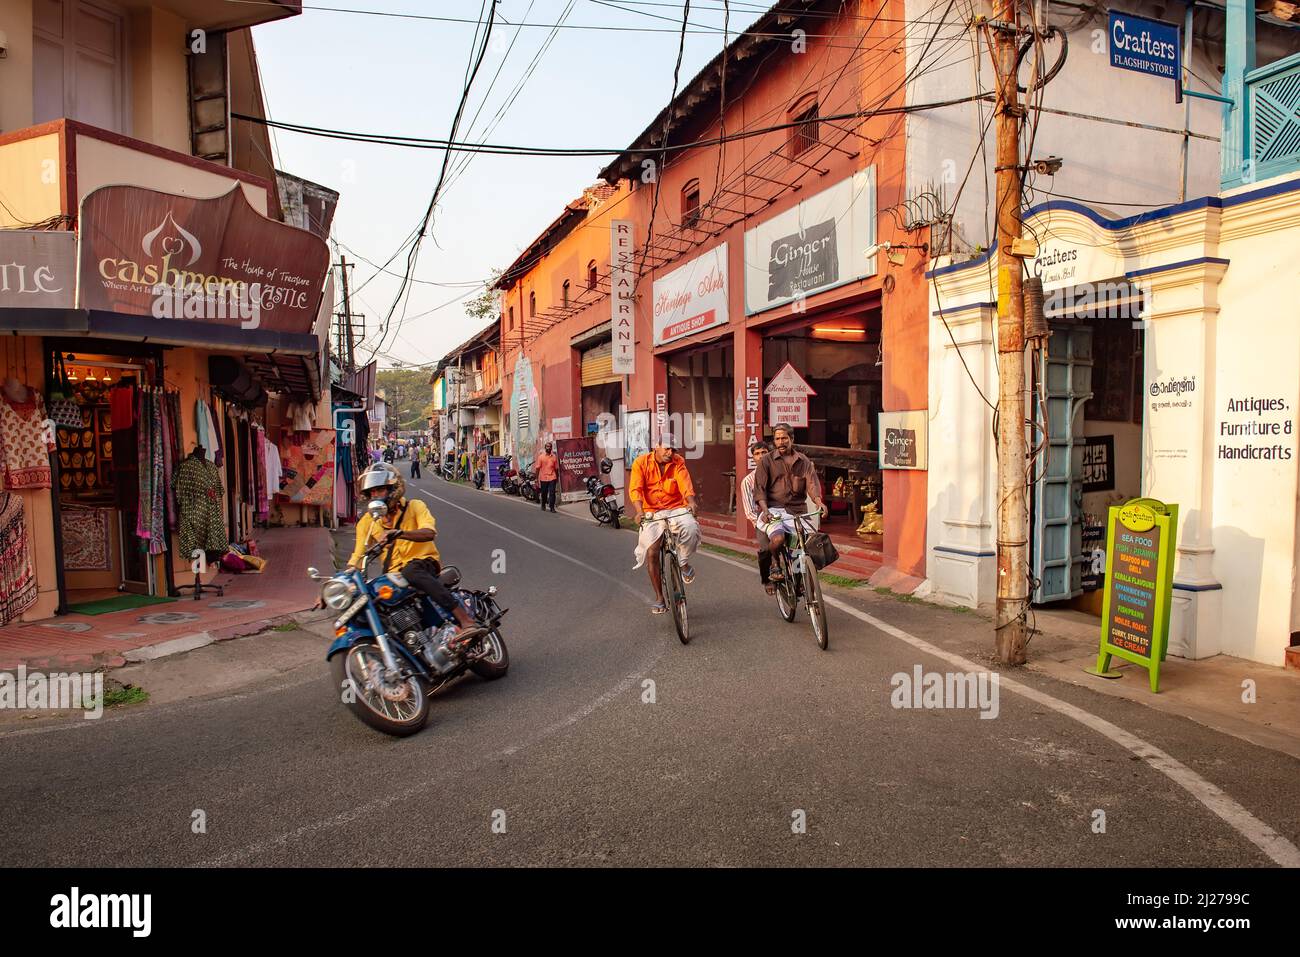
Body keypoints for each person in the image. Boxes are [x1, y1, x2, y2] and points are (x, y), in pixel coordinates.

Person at [349, 463, 483, 647]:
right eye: (371, 492)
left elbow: (429, 532)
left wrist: (399, 533)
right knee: (370, 600)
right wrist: (336, 586)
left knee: (411, 571)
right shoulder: (367, 522)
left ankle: (465, 619)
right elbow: (357, 557)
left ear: (393, 489)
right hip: (393, 575)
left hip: (423, 563)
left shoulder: (415, 506)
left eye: (379, 490)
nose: (375, 496)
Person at [628, 437, 700, 614]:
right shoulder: (641, 462)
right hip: (651, 510)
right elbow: (635, 489)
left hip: (676, 507)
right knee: (652, 551)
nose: (671, 453)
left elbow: (685, 484)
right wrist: (639, 511)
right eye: (667, 449)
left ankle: (683, 563)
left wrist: (691, 502)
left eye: (673, 450)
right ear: (656, 447)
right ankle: (660, 597)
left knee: (691, 528)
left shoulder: (678, 461)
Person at [752, 423, 826, 581]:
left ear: (791, 439)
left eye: (784, 438)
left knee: (807, 545)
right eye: (777, 439)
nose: (781, 442)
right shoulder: (766, 461)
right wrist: (765, 511)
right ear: (774, 441)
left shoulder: (803, 461)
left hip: (797, 511)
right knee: (778, 540)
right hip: (773, 510)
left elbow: (812, 485)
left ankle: (803, 582)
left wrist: (819, 502)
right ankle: (775, 563)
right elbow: (760, 490)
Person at [739, 440, 776, 594]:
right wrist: (762, 522)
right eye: (757, 454)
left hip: (782, 514)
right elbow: (749, 511)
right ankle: (766, 579)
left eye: (764, 452)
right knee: (766, 548)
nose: (761, 456)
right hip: (762, 520)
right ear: (753, 458)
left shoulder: (779, 472)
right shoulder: (748, 482)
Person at [536, 441, 559, 512]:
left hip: (552, 477)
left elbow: (556, 468)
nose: (548, 448)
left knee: (552, 493)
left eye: (550, 447)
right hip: (543, 478)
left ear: (551, 448)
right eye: (547, 447)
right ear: (545, 448)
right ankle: (543, 504)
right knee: (544, 493)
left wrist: (557, 477)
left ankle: (552, 507)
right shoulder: (541, 457)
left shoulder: (554, 457)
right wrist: (536, 478)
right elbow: (537, 468)